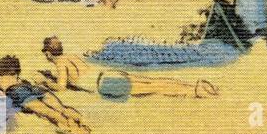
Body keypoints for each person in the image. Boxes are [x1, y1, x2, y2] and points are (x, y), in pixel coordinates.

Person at [38, 36, 216, 100]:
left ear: (48, 53)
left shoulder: (60, 63)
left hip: (105, 84)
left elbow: (61, 87)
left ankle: (195, 91)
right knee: (152, 81)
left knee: (154, 87)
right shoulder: (71, 57)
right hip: (108, 74)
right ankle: (195, 86)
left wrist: (46, 82)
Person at [0, 55, 90, 134]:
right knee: (61, 108)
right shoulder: (20, 79)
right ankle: (81, 120)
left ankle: (74, 128)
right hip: (33, 88)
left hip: (19, 92)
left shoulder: (0, 79)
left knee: (48, 112)